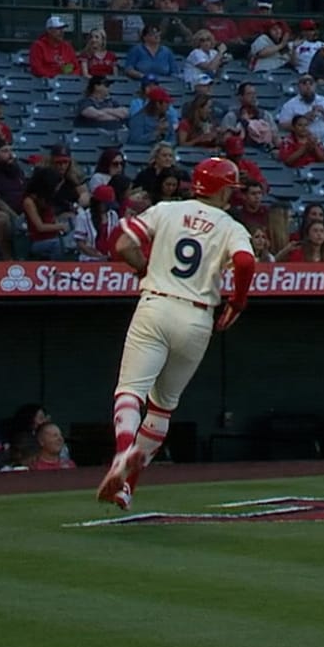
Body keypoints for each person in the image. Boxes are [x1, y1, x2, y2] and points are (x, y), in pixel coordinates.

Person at [97, 159, 257, 511]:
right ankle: (127, 489)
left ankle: (124, 450)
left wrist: (143, 267)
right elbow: (245, 263)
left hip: (156, 304)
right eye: (231, 186)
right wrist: (238, 303)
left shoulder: (166, 209)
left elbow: (122, 245)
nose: (233, 192)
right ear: (220, 188)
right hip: (197, 316)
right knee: (163, 405)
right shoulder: (230, 226)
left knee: (130, 392)